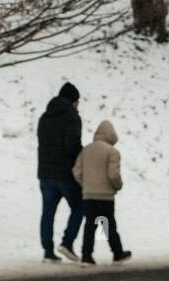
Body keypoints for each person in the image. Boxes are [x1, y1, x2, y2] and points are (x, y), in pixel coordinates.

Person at [37, 81, 84, 262]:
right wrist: (83, 155)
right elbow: (72, 146)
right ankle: (67, 242)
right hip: (66, 174)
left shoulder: (44, 117)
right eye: (77, 101)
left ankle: (48, 252)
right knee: (79, 207)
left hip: (45, 174)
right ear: (72, 101)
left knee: (48, 212)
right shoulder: (72, 117)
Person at [73, 119, 131, 264]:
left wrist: (86, 185)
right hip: (105, 197)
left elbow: (77, 172)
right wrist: (117, 186)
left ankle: (86, 255)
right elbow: (113, 174)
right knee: (108, 224)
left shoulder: (86, 150)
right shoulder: (112, 151)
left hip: (89, 196)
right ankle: (117, 253)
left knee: (90, 225)